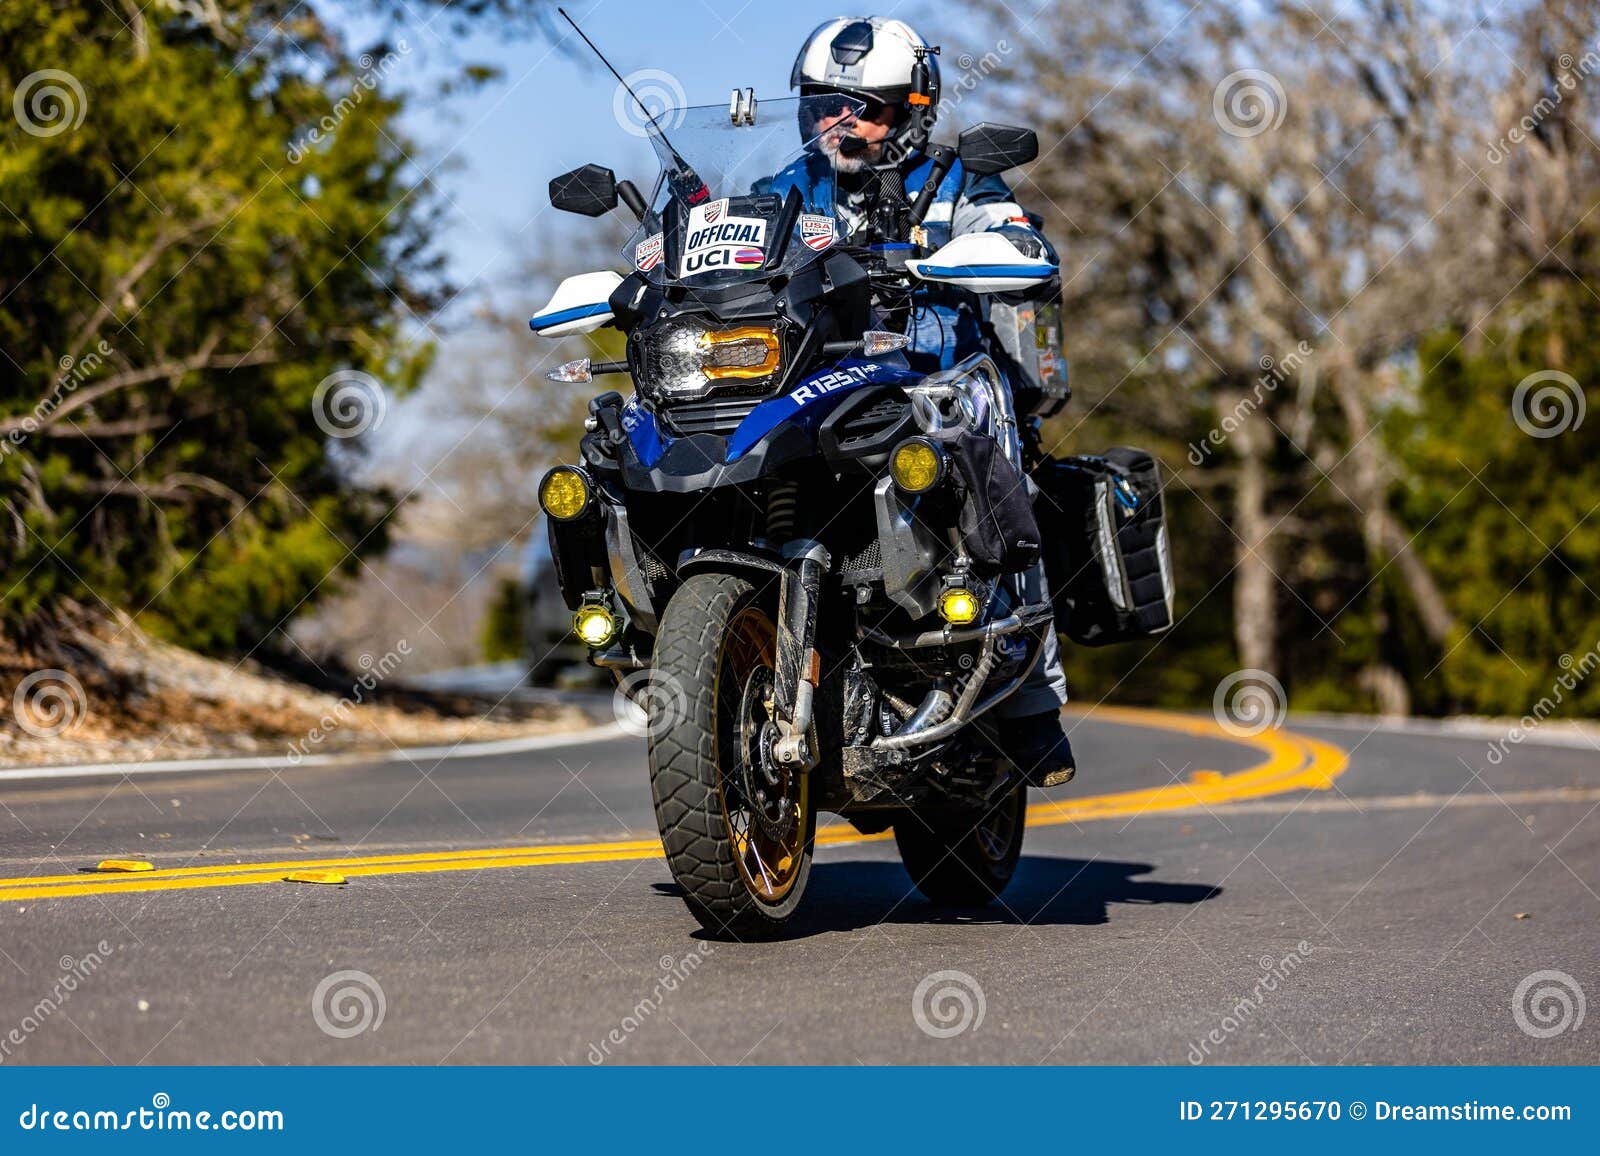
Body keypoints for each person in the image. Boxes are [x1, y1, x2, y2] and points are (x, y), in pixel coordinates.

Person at [781, 16, 1077, 788]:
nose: (839, 124)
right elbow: (729, 248)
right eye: (823, 106)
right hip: (821, 387)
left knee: (988, 446)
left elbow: (1017, 240)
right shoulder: (788, 188)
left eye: (863, 108)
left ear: (913, 111)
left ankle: (1035, 706)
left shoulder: (956, 182)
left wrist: (1004, 245)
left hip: (934, 380)